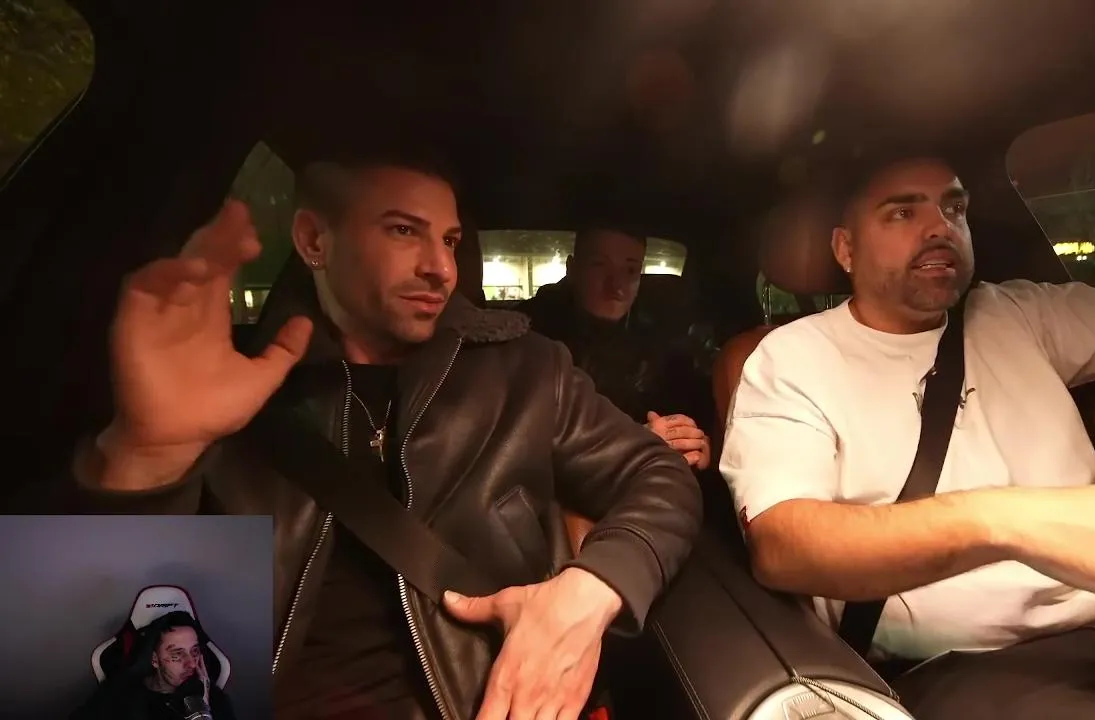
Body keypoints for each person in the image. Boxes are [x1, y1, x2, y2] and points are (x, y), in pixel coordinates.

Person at [69, 154, 702, 720]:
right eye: (403, 231)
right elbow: (94, 663)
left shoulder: (525, 371)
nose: (441, 268)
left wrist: (592, 590)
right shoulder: (228, 390)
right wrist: (144, 459)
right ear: (314, 240)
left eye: (449, 240)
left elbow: (660, 476)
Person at [720, 155, 1095, 719]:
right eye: (902, 213)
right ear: (845, 249)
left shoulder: (1018, 314)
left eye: (954, 208)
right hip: (976, 665)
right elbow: (784, 546)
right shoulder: (791, 359)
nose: (939, 226)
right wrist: (1015, 523)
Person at [519, 227, 712, 471]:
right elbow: (526, 448)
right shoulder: (530, 338)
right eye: (599, 265)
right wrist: (633, 443)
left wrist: (696, 443)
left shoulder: (663, 335)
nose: (616, 285)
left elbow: (689, 411)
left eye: (630, 270)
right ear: (573, 269)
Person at [71, 611, 236, 720]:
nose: (192, 663)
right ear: (154, 660)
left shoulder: (213, 699)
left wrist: (200, 709)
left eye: (195, 651)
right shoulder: (119, 694)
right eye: (177, 654)